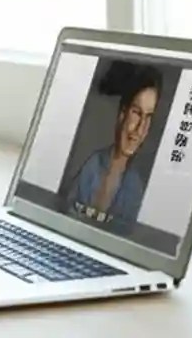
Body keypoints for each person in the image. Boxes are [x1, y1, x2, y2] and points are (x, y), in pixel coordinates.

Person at [60, 61, 161, 234]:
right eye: (137, 113)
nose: (140, 129)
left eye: (148, 117)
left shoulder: (135, 187)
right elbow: (64, 215)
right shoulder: (93, 165)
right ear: (122, 114)